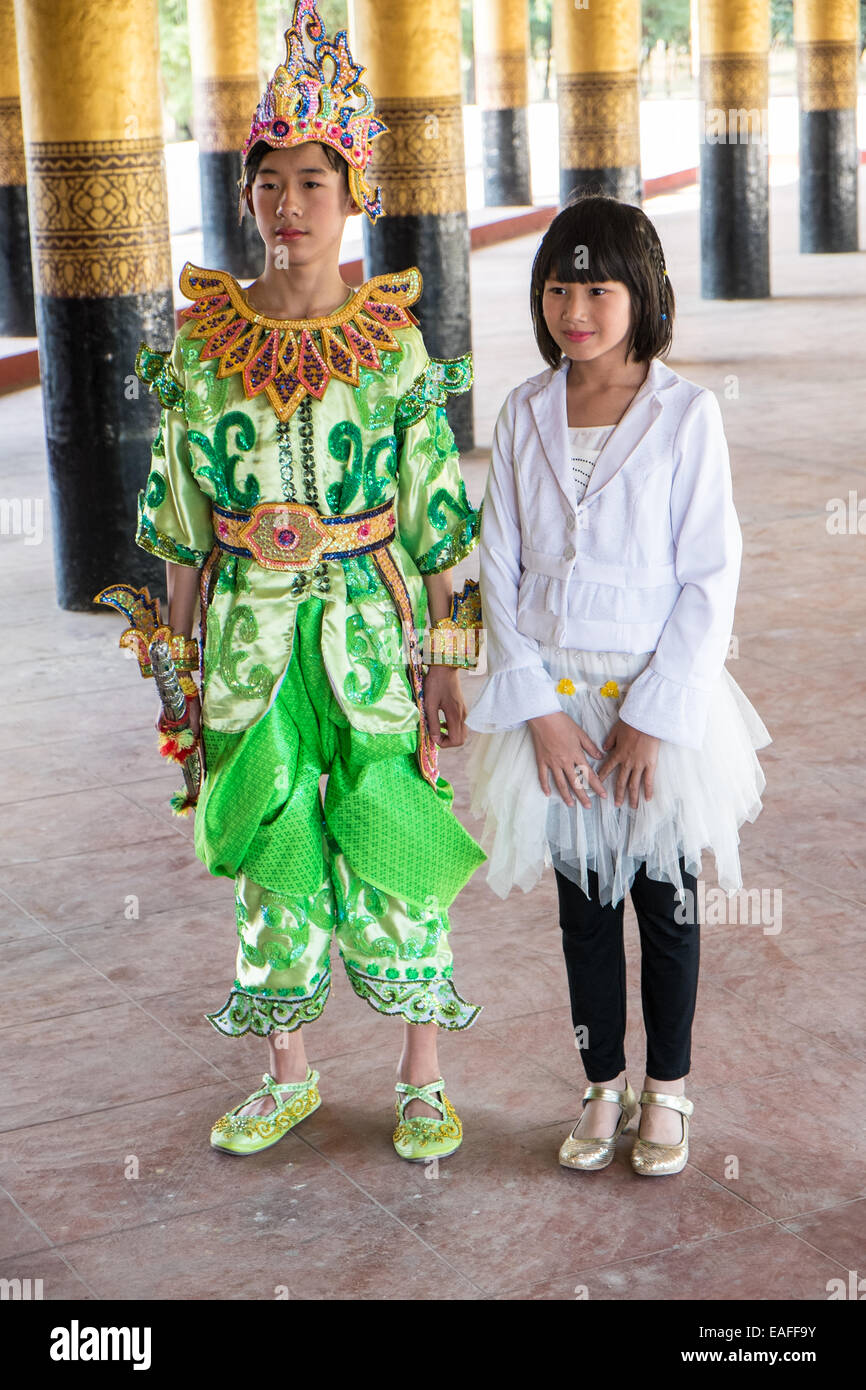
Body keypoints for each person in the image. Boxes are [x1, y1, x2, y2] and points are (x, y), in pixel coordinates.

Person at [133, 0, 485, 1160]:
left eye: (311, 187)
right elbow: (181, 529)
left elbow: (439, 525)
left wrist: (449, 669)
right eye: (269, 184)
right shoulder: (199, 347)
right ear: (247, 195)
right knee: (274, 848)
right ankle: (286, 1071)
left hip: (374, 636)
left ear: (352, 200)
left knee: (391, 833)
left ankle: (421, 1075)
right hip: (246, 641)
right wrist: (177, 672)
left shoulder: (393, 346)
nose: (287, 209)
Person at [466, 194, 771, 1176]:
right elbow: (498, 568)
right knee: (581, 911)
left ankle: (666, 1090)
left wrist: (648, 719)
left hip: (651, 708)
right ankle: (600, 1083)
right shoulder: (524, 411)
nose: (575, 309)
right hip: (553, 706)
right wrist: (539, 717)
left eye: (596, 287)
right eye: (557, 287)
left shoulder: (685, 416)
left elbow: (706, 575)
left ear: (641, 295)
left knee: (663, 901)